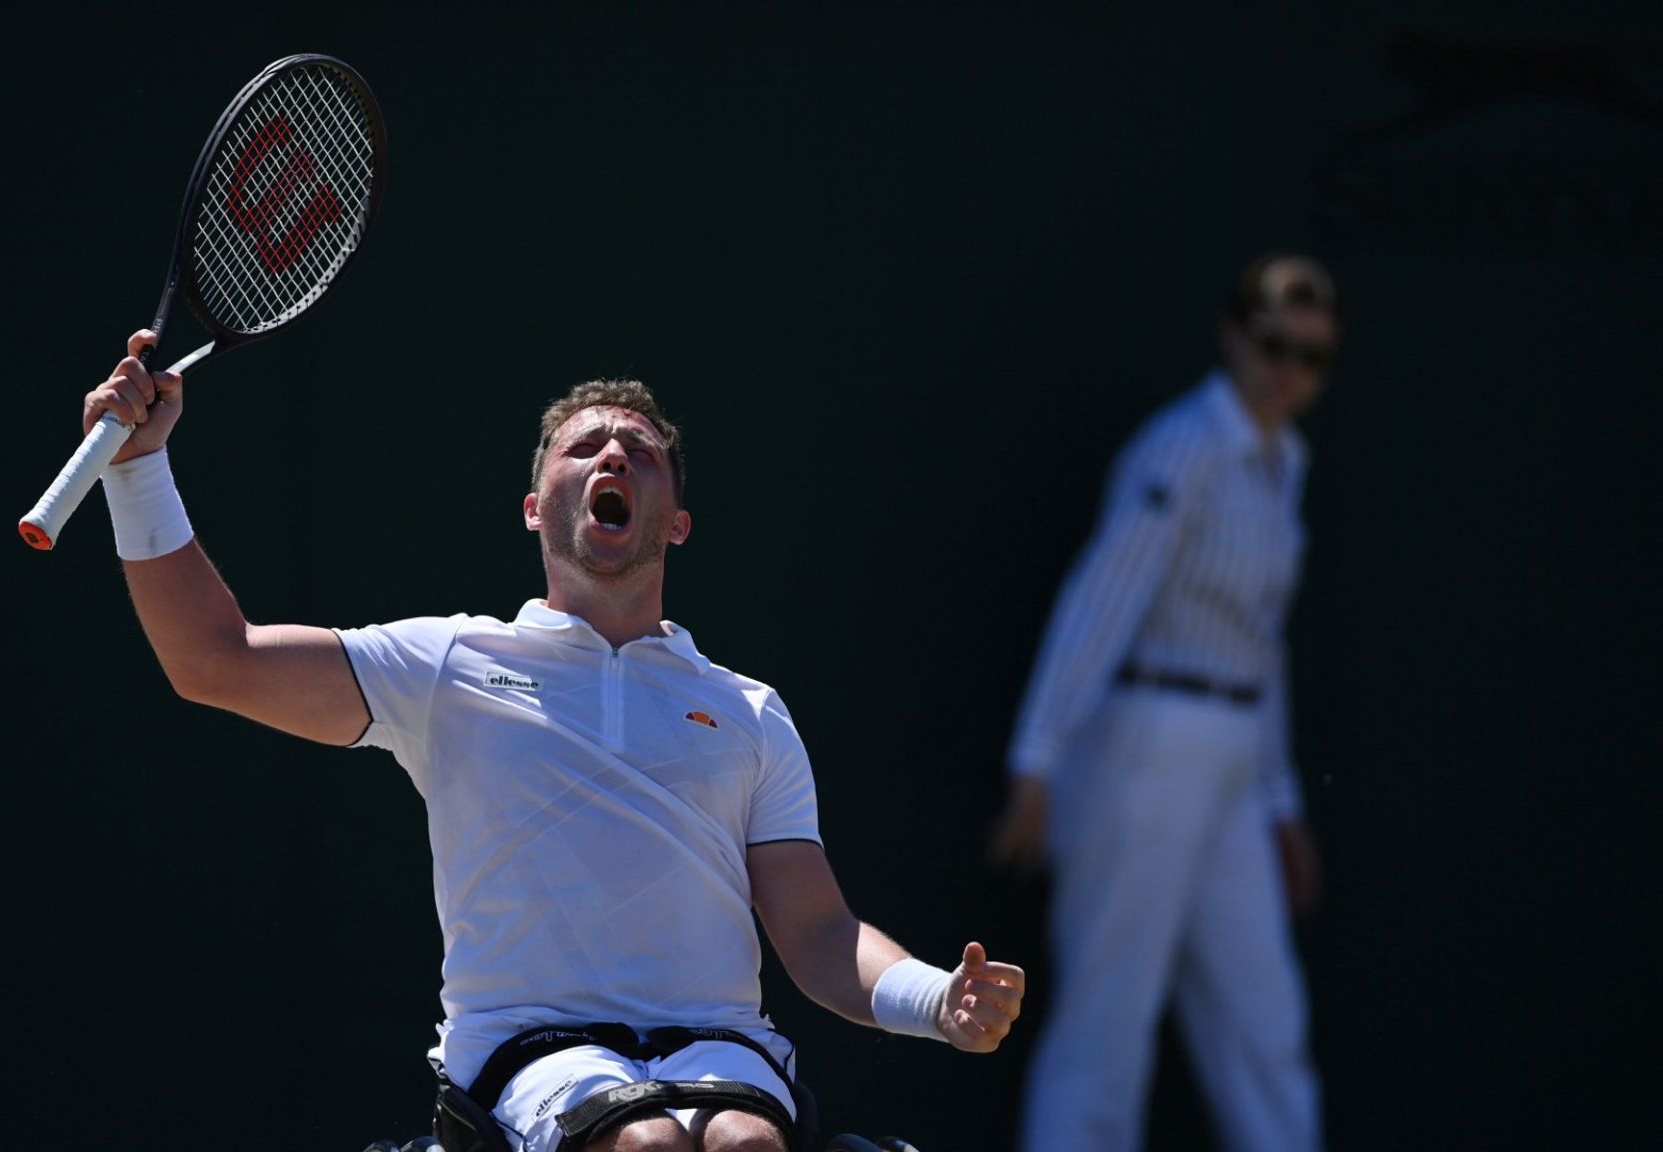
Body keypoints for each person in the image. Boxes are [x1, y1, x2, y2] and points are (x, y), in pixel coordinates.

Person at [81, 341, 1027, 1152]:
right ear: (536, 506)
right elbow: (214, 660)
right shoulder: (446, 663)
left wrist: (936, 999)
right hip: (531, 1050)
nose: (614, 449)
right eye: (585, 445)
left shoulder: (747, 711)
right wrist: (137, 469)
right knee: (646, 1143)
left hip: (718, 1048)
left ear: (678, 524)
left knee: (743, 1142)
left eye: (641, 451)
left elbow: (820, 936)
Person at [988, 252, 1338, 1152]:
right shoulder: (1181, 446)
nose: (1287, 372)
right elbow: (1102, 598)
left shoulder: (1284, 461)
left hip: (1233, 761)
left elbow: (1259, 645)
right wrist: (1039, 757)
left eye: (1311, 357)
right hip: (1145, 743)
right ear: (1233, 335)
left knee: (1264, 1019)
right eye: (1272, 345)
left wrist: (1281, 799)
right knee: (1108, 1020)